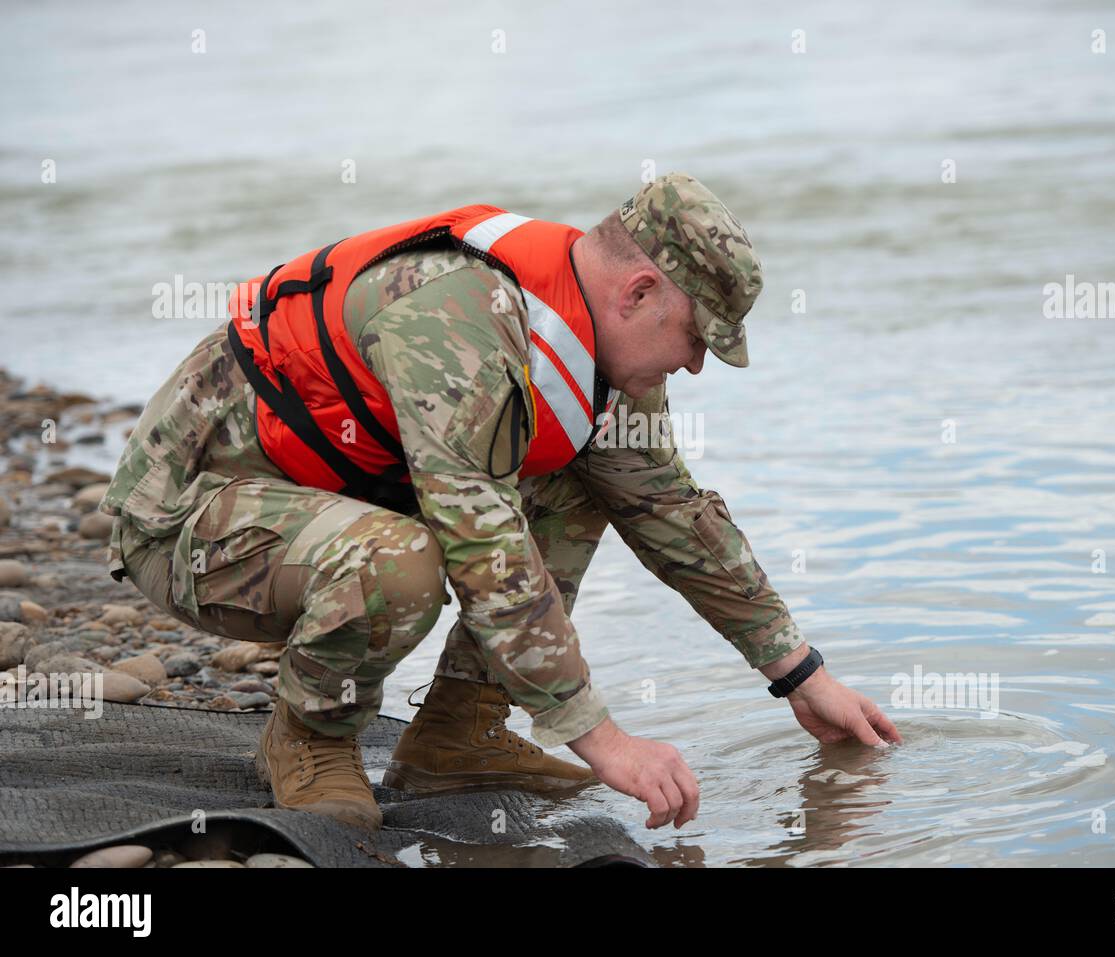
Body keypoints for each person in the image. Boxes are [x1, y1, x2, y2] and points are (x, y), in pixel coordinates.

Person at [100, 172, 902, 834]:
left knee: (582, 485)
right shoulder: (462, 322)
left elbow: (673, 513)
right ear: (641, 291)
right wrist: (604, 740)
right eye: (697, 337)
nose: (696, 366)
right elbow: (486, 553)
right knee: (399, 565)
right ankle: (310, 733)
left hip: (323, 503)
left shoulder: (603, 361)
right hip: (191, 516)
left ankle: (458, 732)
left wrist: (800, 674)